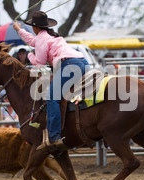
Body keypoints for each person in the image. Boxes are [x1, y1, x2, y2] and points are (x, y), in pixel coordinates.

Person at [13, 11, 89, 151]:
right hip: (83, 63)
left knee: (52, 98)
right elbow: (31, 40)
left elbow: (40, 63)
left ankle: (54, 136)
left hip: (69, 66)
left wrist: (30, 55)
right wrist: (19, 30)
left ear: (35, 27)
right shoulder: (50, 36)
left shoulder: (42, 39)